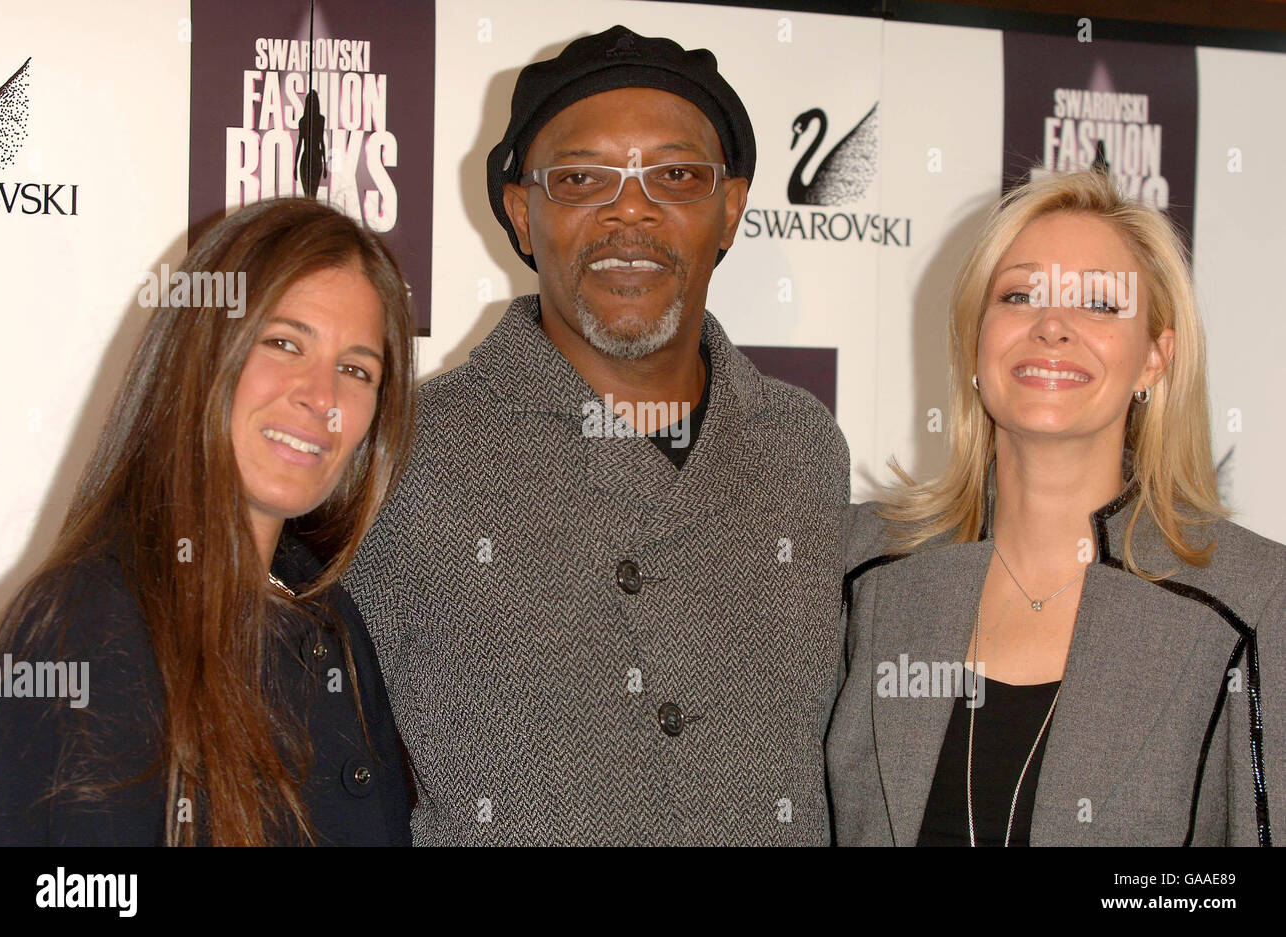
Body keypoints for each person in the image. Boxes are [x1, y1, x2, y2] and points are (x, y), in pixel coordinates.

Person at [345, 26, 850, 845]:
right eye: (583, 179)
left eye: (676, 176)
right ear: (521, 210)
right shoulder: (406, 452)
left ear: (730, 208)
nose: (631, 211)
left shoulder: (804, 450)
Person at [827, 169, 1284, 846]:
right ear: (976, 340)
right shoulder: (861, 568)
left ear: (1155, 358)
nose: (1051, 326)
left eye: (1101, 304)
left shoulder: (1254, 600)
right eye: (1019, 295)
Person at [0, 198, 417, 846]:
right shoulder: (88, 624)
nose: (321, 398)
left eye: (356, 370)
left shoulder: (335, 627)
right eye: (283, 342)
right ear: (201, 352)